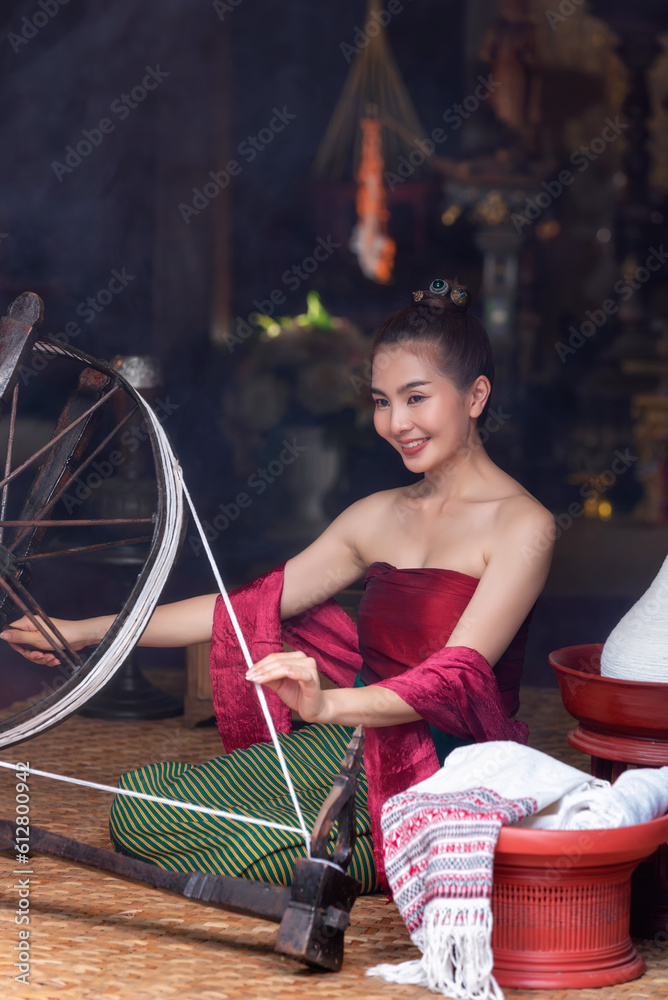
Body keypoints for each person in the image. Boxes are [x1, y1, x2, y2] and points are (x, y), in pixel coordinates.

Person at [1, 278, 555, 893]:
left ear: (475, 396)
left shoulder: (523, 525)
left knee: (263, 861)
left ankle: (415, 842)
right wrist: (85, 634)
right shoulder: (375, 515)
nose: (396, 423)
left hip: (444, 765)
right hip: (351, 740)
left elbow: (455, 679)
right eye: (381, 401)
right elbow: (242, 611)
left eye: (416, 398)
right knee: (140, 802)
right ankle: (343, 847)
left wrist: (326, 706)